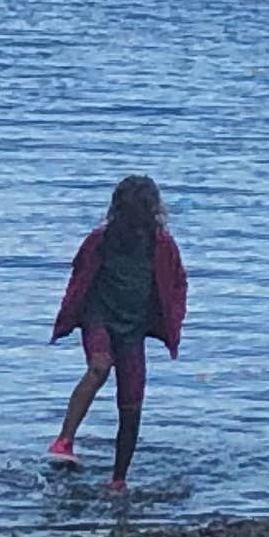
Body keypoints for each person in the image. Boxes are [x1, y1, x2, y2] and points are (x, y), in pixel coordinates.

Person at [50, 175, 185, 491]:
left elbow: (177, 283)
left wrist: (169, 321)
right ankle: (64, 441)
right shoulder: (100, 241)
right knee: (100, 367)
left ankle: (118, 479)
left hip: (133, 327)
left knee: (132, 401)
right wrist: (70, 317)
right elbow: (79, 279)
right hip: (98, 316)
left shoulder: (162, 245)